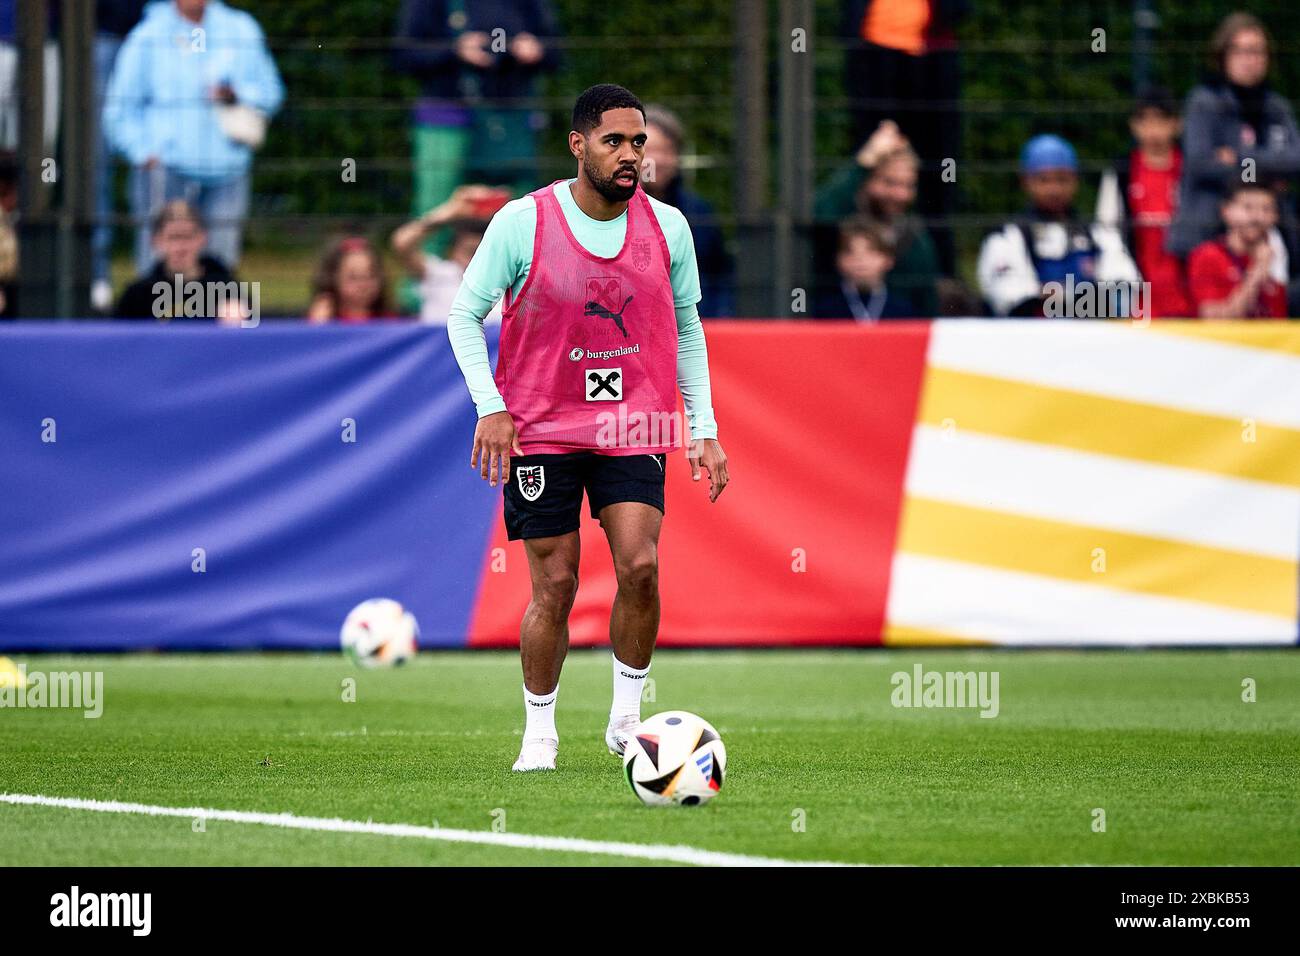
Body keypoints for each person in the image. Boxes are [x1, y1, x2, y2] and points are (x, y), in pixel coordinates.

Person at [446, 83, 729, 772]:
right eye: (615, 142)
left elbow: (687, 327)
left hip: (636, 422)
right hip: (543, 427)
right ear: (579, 145)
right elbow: (463, 315)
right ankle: (539, 731)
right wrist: (491, 406)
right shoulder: (522, 222)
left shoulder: (669, 228)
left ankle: (627, 722)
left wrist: (706, 426)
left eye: (639, 143)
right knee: (558, 585)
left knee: (639, 566)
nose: (631, 156)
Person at [104, 0, 284, 273]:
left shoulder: (241, 28)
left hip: (227, 171)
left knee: (219, 270)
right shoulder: (148, 34)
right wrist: (142, 152)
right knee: (159, 267)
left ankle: (212, 316)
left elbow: (271, 93)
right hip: (166, 172)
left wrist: (236, 94)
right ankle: (157, 317)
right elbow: (119, 108)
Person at [392, 0, 561, 219]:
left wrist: (536, 49)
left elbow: (556, 52)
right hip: (446, 118)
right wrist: (454, 51)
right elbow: (403, 54)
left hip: (512, 121)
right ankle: (433, 254)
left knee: (518, 211)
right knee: (437, 208)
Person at [841, 0, 968, 273]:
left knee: (938, 177)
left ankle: (939, 277)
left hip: (932, 59)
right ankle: (862, 267)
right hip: (876, 58)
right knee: (871, 167)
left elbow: (959, 10)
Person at [1167, 12, 1300, 259]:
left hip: (1274, 237)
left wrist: (1239, 157)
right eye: (1243, 51)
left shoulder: (1276, 107)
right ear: (1223, 56)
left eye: (1259, 52)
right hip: (1207, 235)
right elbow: (1201, 164)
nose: (1252, 60)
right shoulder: (1203, 102)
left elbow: (1295, 159)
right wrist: (1270, 173)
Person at [977, 134, 1139, 317]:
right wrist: (1081, 297)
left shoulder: (1098, 233)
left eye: (1062, 179)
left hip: (1091, 338)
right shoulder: (1006, 237)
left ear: (1075, 180)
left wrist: (1054, 294)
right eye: (1043, 180)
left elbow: (1123, 290)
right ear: (1025, 181)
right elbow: (1012, 299)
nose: (1053, 189)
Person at [813, 120, 939, 315]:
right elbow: (817, 213)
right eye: (890, 183)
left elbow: (927, 305)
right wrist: (866, 160)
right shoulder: (842, 219)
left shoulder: (915, 238)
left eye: (909, 186)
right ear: (866, 180)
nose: (901, 195)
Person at [1096, 90, 1193, 318]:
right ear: (1134, 126)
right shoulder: (1122, 170)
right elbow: (1106, 227)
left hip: (1185, 282)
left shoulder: (1190, 168)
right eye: (1145, 121)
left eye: (1161, 120)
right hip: (1138, 281)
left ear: (1176, 125)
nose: (1153, 129)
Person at [640, 104, 733, 316]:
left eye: (667, 150)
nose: (659, 160)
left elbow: (720, 279)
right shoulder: (607, 212)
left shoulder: (700, 213)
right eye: (650, 150)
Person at [390, 184, 504, 323]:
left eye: (483, 253)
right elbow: (402, 242)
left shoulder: (507, 283)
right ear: (451, 252)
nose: (476, 260)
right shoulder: (437, 274)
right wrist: (450, 210)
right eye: (470, 252)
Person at [114, 199, 239, 321]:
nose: (180, 247)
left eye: (187, 237)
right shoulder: (138, 296)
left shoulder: (227, 290)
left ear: (203, 238)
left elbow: (256, 327)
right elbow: (112, 335)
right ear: (156, 240)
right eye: (173, 238)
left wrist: (242, 318)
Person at [1186, 182, 1288, 319]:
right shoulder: (1208, 255)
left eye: (1266, 209)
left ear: (1276, 216)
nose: (1257, 217)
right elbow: (1215, 321)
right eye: (1248, 208)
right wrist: (1256, 273)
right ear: (1226, 211)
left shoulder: (1277, 254)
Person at [815, 217, 916, 319]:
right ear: (838, 260)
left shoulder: (903, 310)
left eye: (871, 251)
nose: (860, 259)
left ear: (889, 259)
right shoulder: (824, 309)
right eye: (850, 252)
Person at [306, 237, 395, 323]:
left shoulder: (389, 321)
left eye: (371, 275)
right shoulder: (323, 319)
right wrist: (319, 326)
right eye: (353, 277)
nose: (363, 285)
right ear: (332, 279)